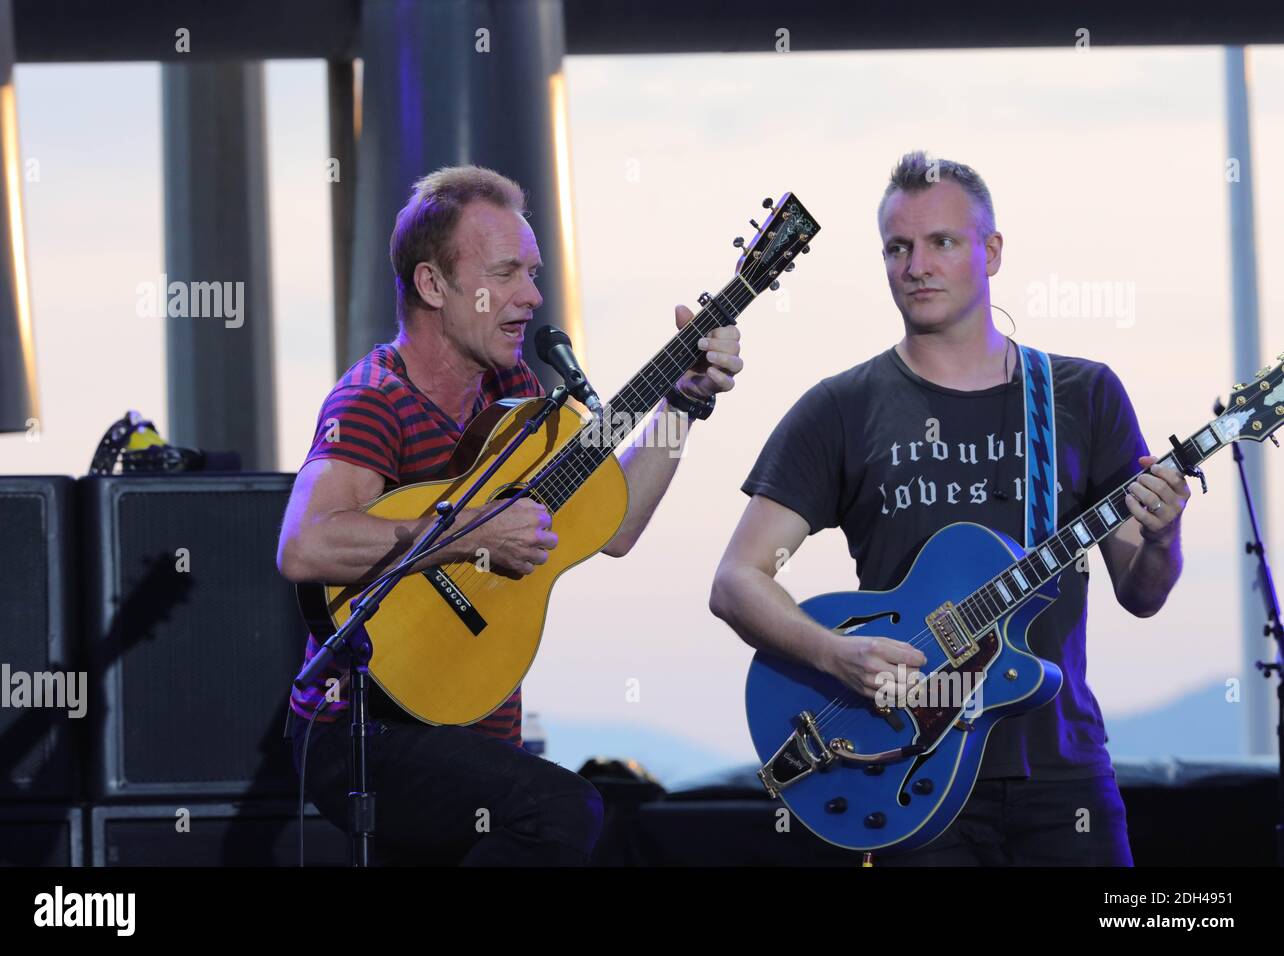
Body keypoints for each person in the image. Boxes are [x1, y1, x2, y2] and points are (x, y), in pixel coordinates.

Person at [710, 151, 1190, 866]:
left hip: (1061, 772)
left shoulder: (1082, 395)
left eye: (942, 242)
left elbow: (1142, 594)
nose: (917, 266)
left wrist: (1164, 535)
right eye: (897, 248)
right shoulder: (841, 407)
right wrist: (836, 655)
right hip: (904, 775)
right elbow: (736, 581)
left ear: (991, 252)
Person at [276, 165, 743, 865]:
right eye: (506, 274)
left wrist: (683, 401)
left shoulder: (515, 393)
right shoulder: (374, 398)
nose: (533, 295)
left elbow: (615, 528)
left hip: (469, 722)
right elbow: (306, 547)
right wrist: (467, 534)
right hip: (364, 729)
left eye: (533, 272)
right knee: (563, 811)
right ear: (433, 285)